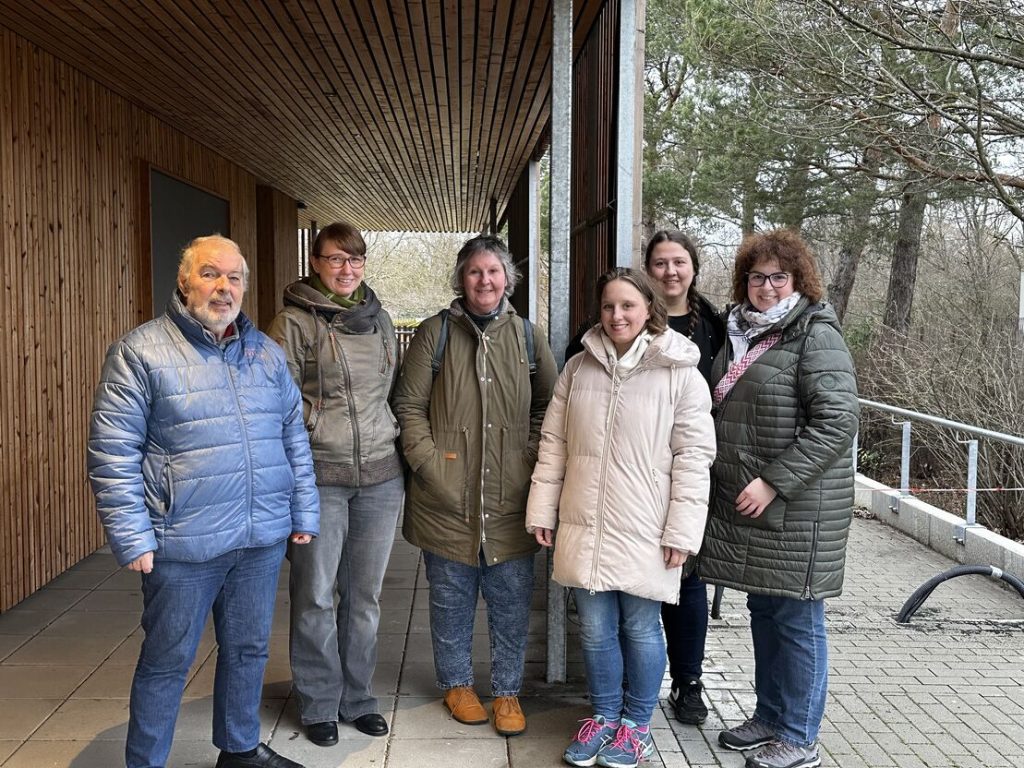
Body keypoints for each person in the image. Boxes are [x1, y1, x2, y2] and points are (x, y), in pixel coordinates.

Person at [88, 235, 319, 768]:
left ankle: (238, 751)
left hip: (259, 538)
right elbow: (112, 451)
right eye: (211, 273)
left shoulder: (266, 353)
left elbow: (293, 437)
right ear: (183, 281)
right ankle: (146, 762)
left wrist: (303, 510)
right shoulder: (141, 352)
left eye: (234, 277)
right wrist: (132, 535)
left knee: (247, 651)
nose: (224, 287)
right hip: (181, 543)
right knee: (167, 661)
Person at [526, 268, 716, 768]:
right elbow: (554, 445)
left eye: (628, 306)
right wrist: (542, 509)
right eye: (609, 306)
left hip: (647, 527)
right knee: (592, 629)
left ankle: (636, 726)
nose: (617, 316)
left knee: (641, 627)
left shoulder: (680, 373)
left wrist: (682, 532)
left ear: (649, 309)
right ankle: (604, 717)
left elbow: (695, 458)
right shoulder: (578, 369)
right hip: (584, 521)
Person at [700, 230, 859, 768]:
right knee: (764, 609)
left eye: (778, 277)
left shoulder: (815, 333)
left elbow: (838, 422)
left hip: (796, 508)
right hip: (752, 507)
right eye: (756, 277)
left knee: (796, 619)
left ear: (798, 281)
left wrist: (774, 481)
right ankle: (770, 716)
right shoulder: (738, 331)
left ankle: (799, 738)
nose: (766, 287)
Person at [392, 234, 556, 737]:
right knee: (450, 601)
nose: (485, 281)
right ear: (461, 280)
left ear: (507, 278)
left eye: (493, 271)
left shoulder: (529, 337)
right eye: (474, 272)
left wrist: (527, 458)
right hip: (445, 500)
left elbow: (548, 408)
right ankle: (457, 685)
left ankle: (508, 691)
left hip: (510, 499)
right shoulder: (434, 333)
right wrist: (431, 466)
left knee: (510, 604)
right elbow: (408, 406)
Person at [268, 222, 403, 745]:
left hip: (380, 476)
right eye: (335, 260)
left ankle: (358, 698)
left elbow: (389, 392)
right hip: (319, 478)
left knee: (365, 597)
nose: (346, 269)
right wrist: (311, 427)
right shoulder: (293, 322)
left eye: (355, 260)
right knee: (315, 596)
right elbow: (276, 400)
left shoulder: (382, 319)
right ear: (316, 263)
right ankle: (320, 702)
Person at [645, 230, 724, 725]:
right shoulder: (625, 311)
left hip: (692, 465)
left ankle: (688, 681)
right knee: (638, 578)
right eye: (659, 263)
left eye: (679, 262)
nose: (670, 272)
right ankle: (636, 682)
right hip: (634, 468)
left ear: (693, 268)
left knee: (686, 574)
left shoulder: (714, 323)